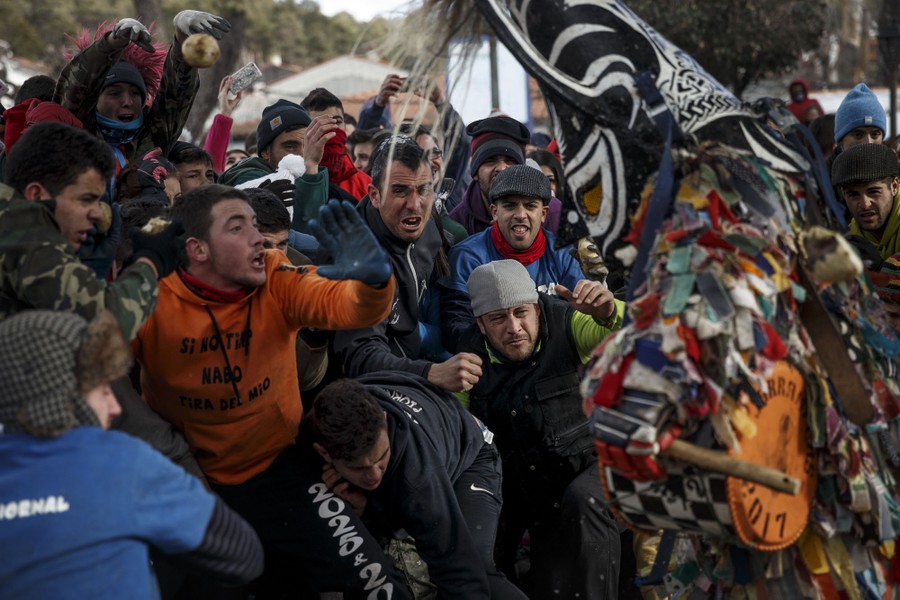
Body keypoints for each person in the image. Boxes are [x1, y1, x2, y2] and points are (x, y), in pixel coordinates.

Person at [132, 184, 417, 597]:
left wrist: (373, 283)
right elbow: (91, 372)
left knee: (379, 587)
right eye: (237, 228)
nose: (256, 238)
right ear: (197, 249)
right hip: (193, 482)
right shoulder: (150, 299)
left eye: (254, 224)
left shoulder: (275, 275)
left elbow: (341, 303)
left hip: (281, 468)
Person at [0, 310, 264, 599]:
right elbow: (243, 556)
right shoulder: (118, 461)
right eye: (102, 389)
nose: (114, 407)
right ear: (63, 395)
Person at [455, 259, 624, 600]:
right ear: (481, 325)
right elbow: (456, 438)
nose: (514, 327)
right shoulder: (467, 364)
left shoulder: (569, 323)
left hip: (600, 472)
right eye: (499, 318)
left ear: (536, 307)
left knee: (585, 500)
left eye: (521, 312)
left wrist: (610, 310)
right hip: (537, 497)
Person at [311, 372, 528, 599]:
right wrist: (366, 510)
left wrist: (370, 505)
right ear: (324, 453)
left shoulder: (418, 477)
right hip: (436, 428)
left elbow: (458, 569)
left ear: (385, 420)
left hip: (471, 457)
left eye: (381, 458)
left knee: (476, 567)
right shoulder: (321, 423)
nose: (374, 476)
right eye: (359, 469)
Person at [333, 136, 484, 392]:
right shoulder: (356, 259)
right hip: (366, 392)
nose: (414, 204)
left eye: (423, 189)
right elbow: (361, 356)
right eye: (400, 191)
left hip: (415, 368)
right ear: (375, 195)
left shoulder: (429, 227)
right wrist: (431, 372)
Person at [54, 12, 231, 172]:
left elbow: (177, 95)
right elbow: (75, 86)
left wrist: (183, 37)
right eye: (114, 93)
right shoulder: (77, 131)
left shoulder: (152, 137)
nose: (127, 102)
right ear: (94, 98)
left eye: (135, 93)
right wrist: (112, 43)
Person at [441, 164, 586, 351]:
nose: (520, 215)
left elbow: (584, 317)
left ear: (543, 214)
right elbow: (455, 328)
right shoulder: (467, 257)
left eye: (530, 205)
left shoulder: (562, 252)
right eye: (510, 205)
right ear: (494, 212)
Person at [219, 98, 333, 234]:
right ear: (266, 152)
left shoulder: (314, 173)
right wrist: (311, 166)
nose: (302, 154)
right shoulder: (249, 178)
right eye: (290, 147)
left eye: (306, 146)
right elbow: (300, 228)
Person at [449, 115, 561, 236]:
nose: (502, 168)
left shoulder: (555, 216)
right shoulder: (457, 224)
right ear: (475, 172)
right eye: (490, 160)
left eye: (510, 161)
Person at [831, 142, 900, 260]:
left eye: (873, 192)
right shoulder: (850, 240)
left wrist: (881, 270)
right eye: (853, 194)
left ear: (894, 187)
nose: (864, 205)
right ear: (843, 194)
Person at [301, 87, 372, 200]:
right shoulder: (294, 181)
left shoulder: (366, 185)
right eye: (320, 124)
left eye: (337, 121)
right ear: (305, 132)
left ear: (344, 125)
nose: (331, 129)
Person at [834, 83, 887, 152]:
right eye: (858, 135)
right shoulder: (825, 162)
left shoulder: (891, 161)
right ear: (841, 141)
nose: (868, 142)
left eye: (875, 134)